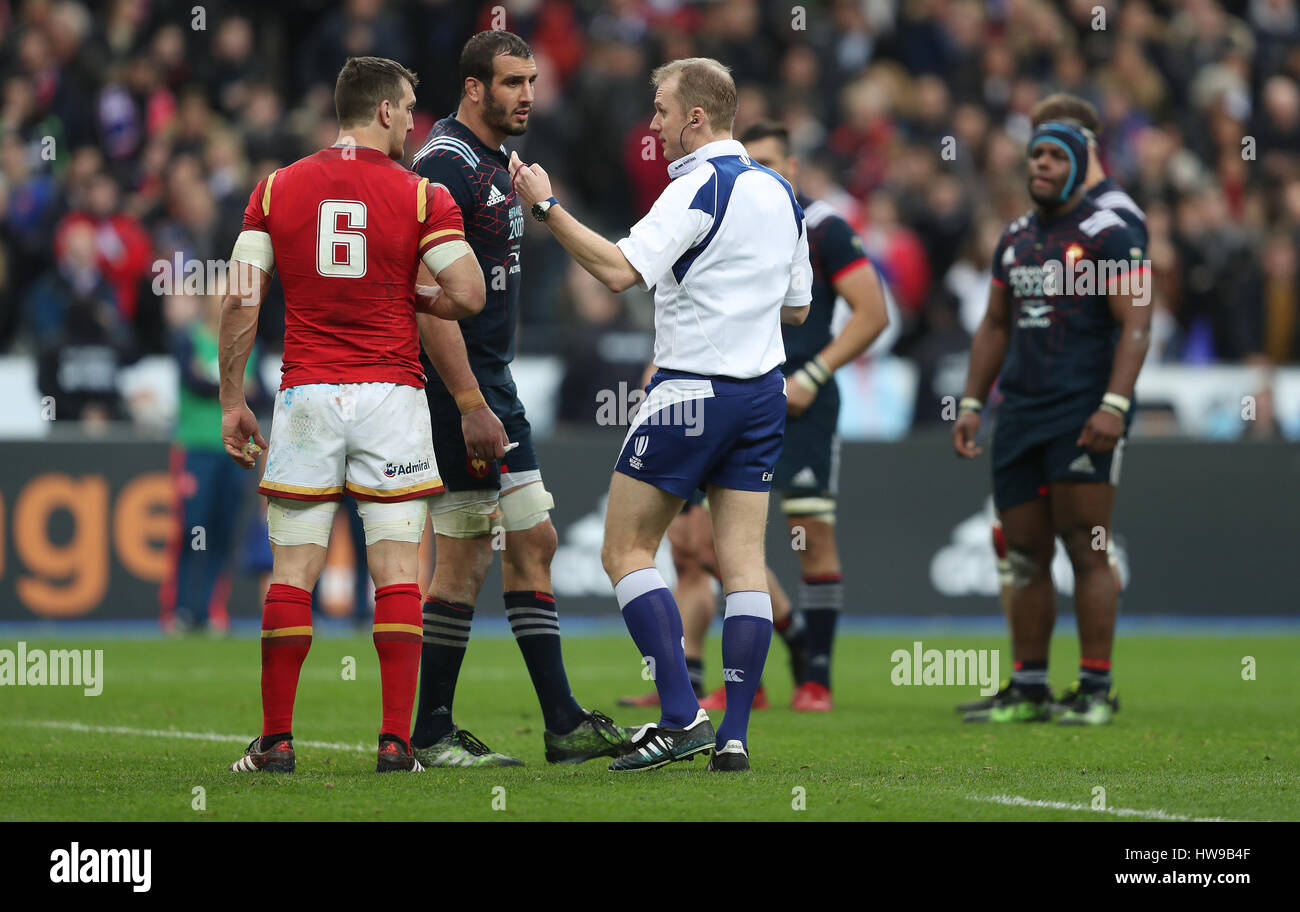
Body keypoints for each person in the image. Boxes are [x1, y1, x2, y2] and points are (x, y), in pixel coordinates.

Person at [512, 57, 813, 772]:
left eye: (659, 110)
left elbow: (619, 271)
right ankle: (733, 735)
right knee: (743, 566)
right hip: (762, 394)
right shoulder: (782, 193)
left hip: (691, 392)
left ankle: (681, 716)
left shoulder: (698, 186)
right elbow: (797, 308)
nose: (652, 125)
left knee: (625, 551)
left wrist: (547, 209)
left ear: (695, 119)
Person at [219, 56, 485, 773]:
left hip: (306, 394)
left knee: (292, 574)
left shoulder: (276, 188)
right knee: (397, 571)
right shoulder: (424, 195)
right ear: (386, 111)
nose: (412, 121)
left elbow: (243, 296)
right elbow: (469, 290)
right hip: (392, 397)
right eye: (408, 109)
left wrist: (232, 398)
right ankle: (396, 743)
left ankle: (275, 742)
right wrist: (417, 296)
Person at [408, 30, 632, 768]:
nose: (527, 94)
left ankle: (563, 724)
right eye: (510, 82)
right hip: (458, 385)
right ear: (473, 87)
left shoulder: (500, 162)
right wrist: (469, 400)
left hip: (493, 383)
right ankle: (432, 732)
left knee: (533, 541)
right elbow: (424, 300)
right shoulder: (445, 164)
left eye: (531, 80)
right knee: (468, 553)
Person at [618, 121, 890, 713]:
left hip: (797, 401)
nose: (755, 173)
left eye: (769, 161)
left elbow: (872, 312)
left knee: (808, 537)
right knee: (701, 548)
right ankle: (713, 679)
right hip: (722, 392)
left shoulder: (819, 225)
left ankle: (813, 673)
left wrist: (813, 376)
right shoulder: (723, 205)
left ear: (790, 163)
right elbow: (692, 300)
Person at [952, 119, 1151, 726]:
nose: (1039, 164)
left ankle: (1095, 689)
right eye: (1034, 155)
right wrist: (971, 401)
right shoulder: (1014, 238)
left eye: (1053, 157)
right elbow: (994, 326)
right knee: (1025, 554)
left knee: (1087, 550)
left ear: (1077, 163)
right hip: (1020, 414)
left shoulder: (1108, 233)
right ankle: (1030, 688)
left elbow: (1137, 325)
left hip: (1082, 412)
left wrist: (1114, 406)